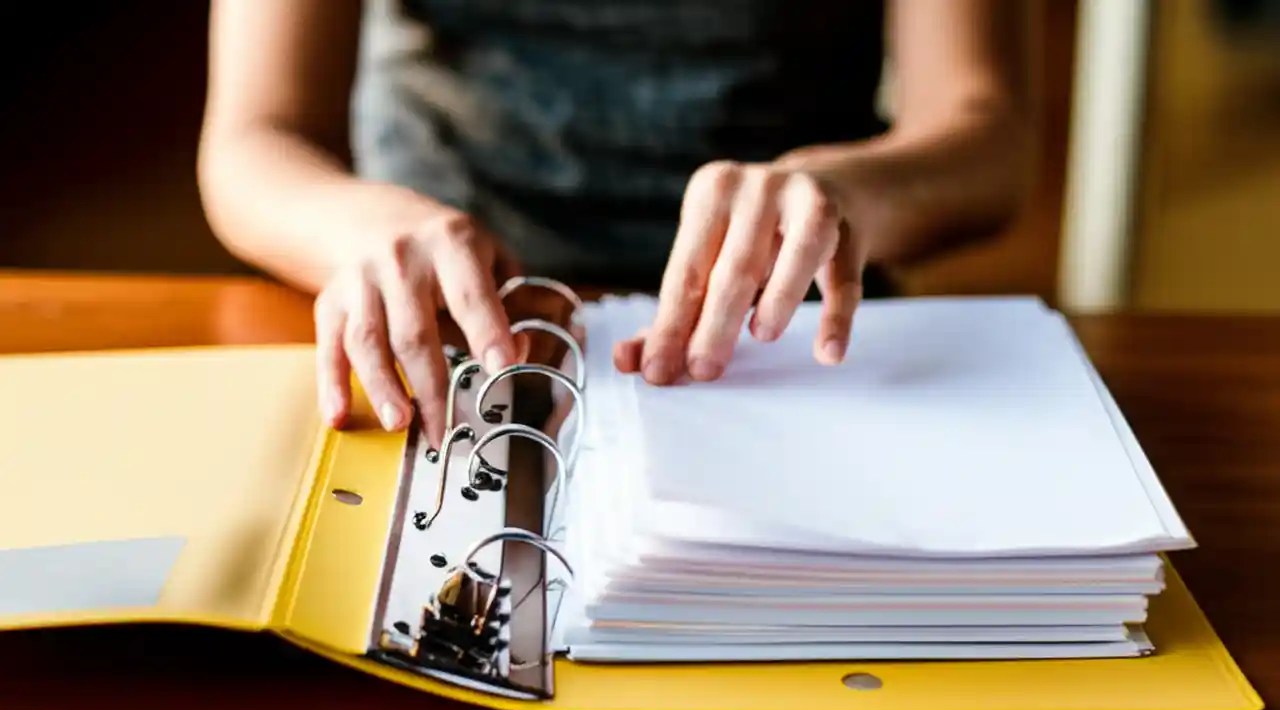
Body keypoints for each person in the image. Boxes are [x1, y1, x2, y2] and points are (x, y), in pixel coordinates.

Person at [198, 0, 1035, 443]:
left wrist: (845, 192)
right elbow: (251, 141)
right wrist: (358, 229)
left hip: (789, 330)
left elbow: (987, 137)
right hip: (443, 328)